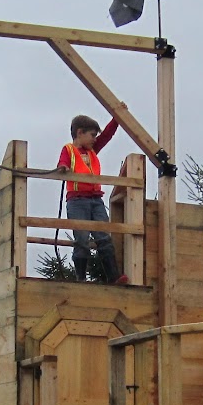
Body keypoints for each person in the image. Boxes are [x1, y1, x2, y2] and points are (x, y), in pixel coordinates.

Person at [57, 114, 127, 284]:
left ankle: (113, 277)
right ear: (80, 133)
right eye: (92, 135)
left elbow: (107, 135)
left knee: (103, 237)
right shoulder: (69, 150)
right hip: (77, 200)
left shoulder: (92, 151)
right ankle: (80, 277)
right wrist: (63, 168)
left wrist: (117, 117)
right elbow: (62, 163)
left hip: (95, 200)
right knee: (81, 238)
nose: (95, 139)